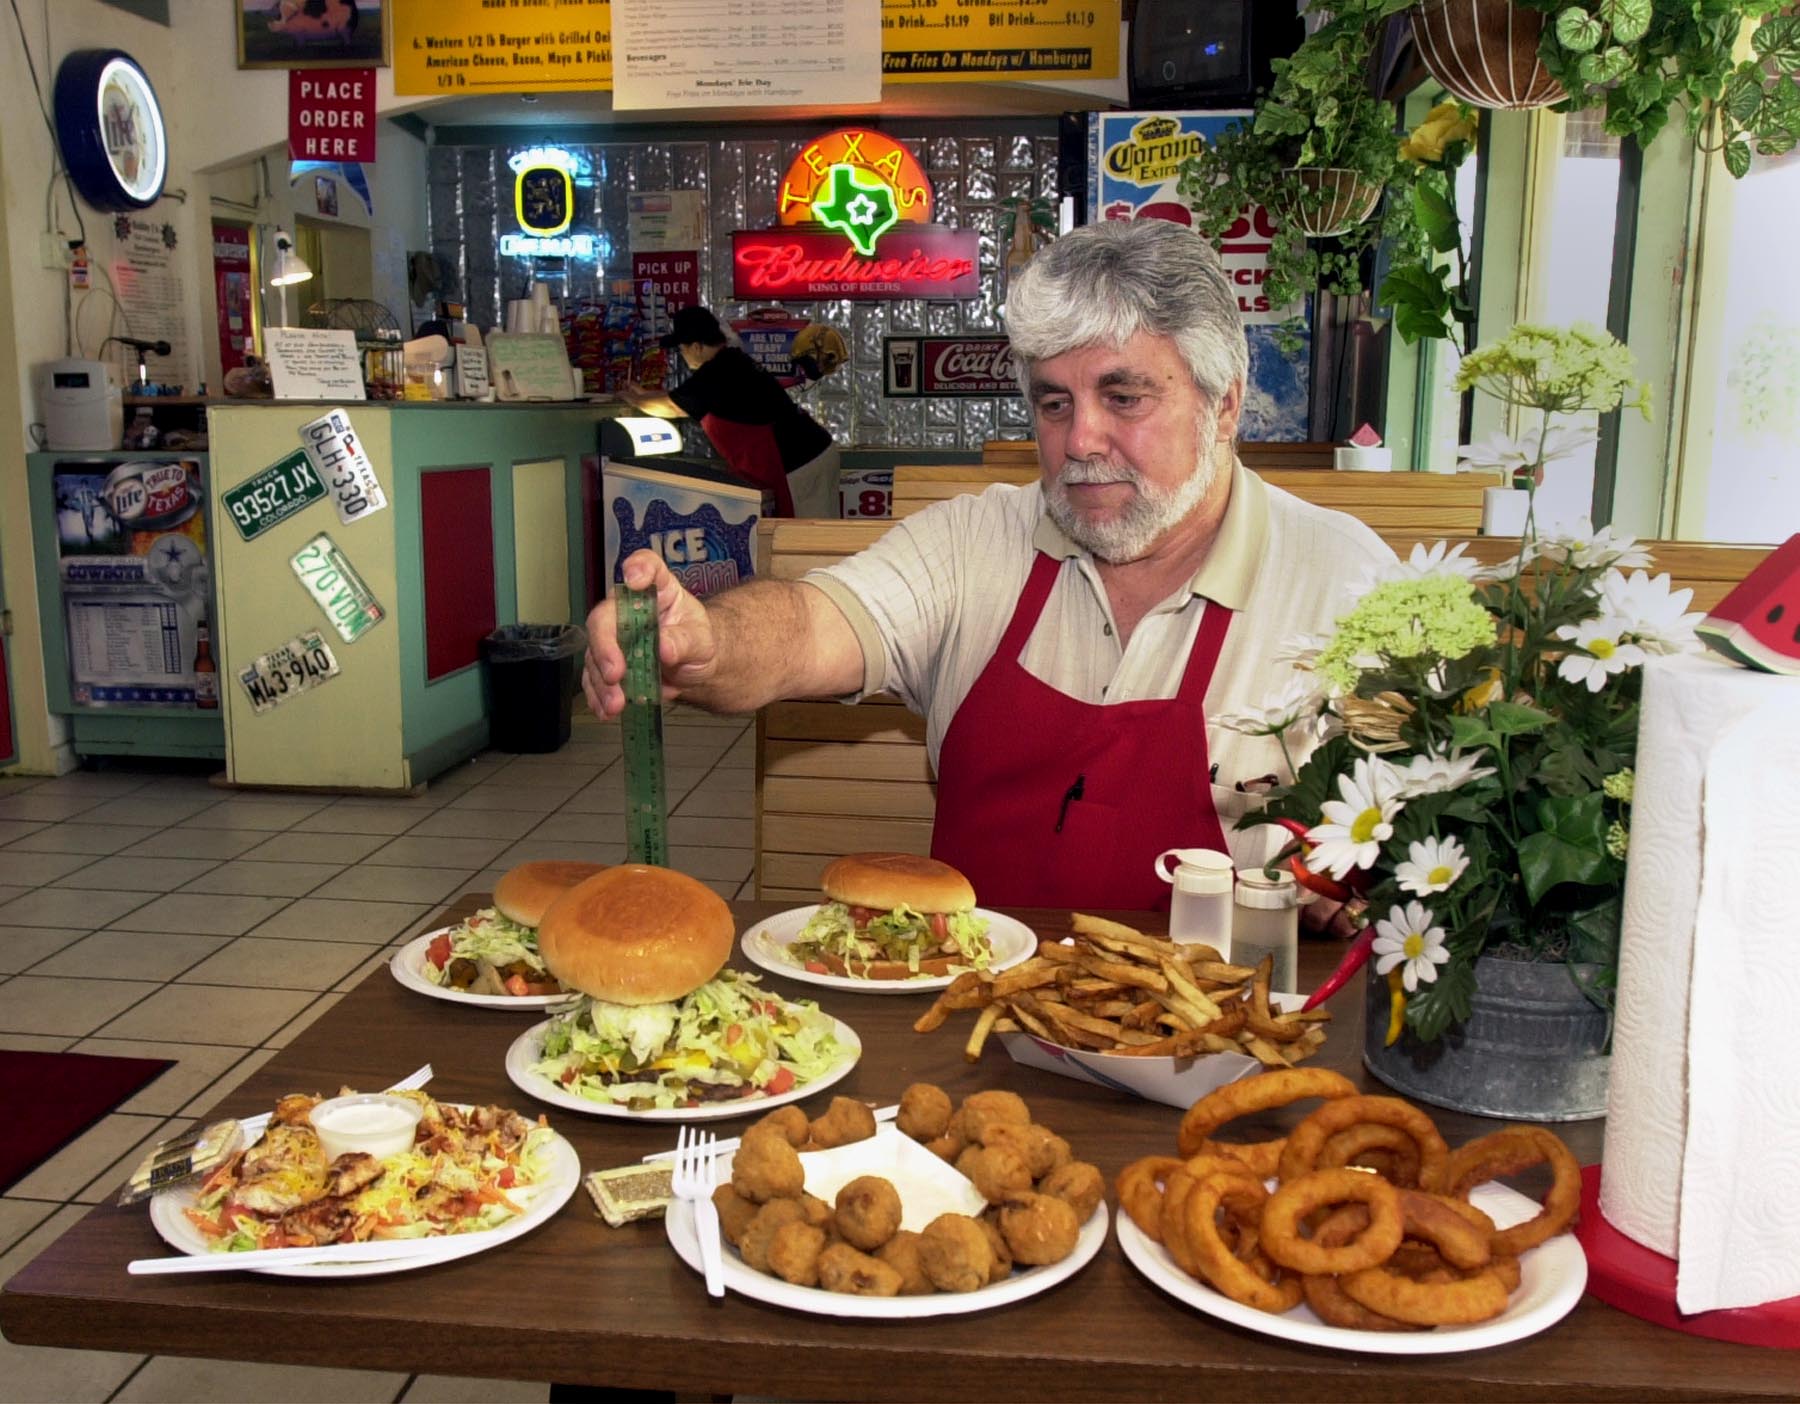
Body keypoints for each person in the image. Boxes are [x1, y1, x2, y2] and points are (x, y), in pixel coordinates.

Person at [586, 220, 1396, 910]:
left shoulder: (1347, 586)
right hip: (972, 1031)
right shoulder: (976, 542)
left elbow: (1420, 857)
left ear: (1223, 405)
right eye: (1054, 403)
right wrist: (707, 639)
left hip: (1222, 1048)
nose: (1080, 440)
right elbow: (809, 625)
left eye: (1124, 398)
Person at [620, 306, 840, 518]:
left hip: (800, 463)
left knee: (808, 540)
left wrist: (634, 399)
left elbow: (672, 406)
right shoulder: (731, 362)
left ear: (696, 347)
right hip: (813, 452)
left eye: (682, 349)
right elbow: (681, 398)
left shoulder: (717, 373)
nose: (683, 356)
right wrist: (643, 395)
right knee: (820, 536)